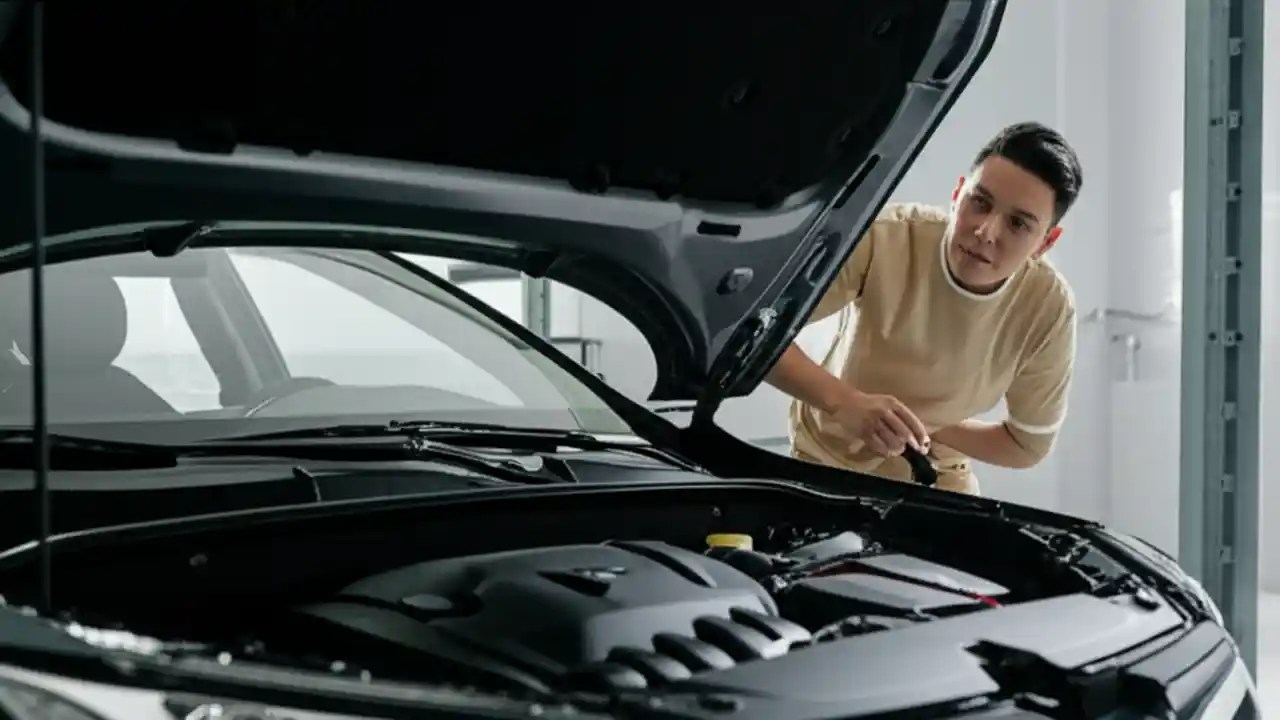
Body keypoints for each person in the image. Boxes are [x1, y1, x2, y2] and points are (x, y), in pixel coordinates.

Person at [765, 121, 1082, 495]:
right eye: (979, 203)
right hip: (823, 465)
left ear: (1046, 242)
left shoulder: (1049, 309)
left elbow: (1028, 445)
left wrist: (927, 426)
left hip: (938, 479)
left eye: (1017, 224)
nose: (987, 231)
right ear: (957, 193)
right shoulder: (884, 235)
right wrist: (843, 402)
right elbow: (752, 336)